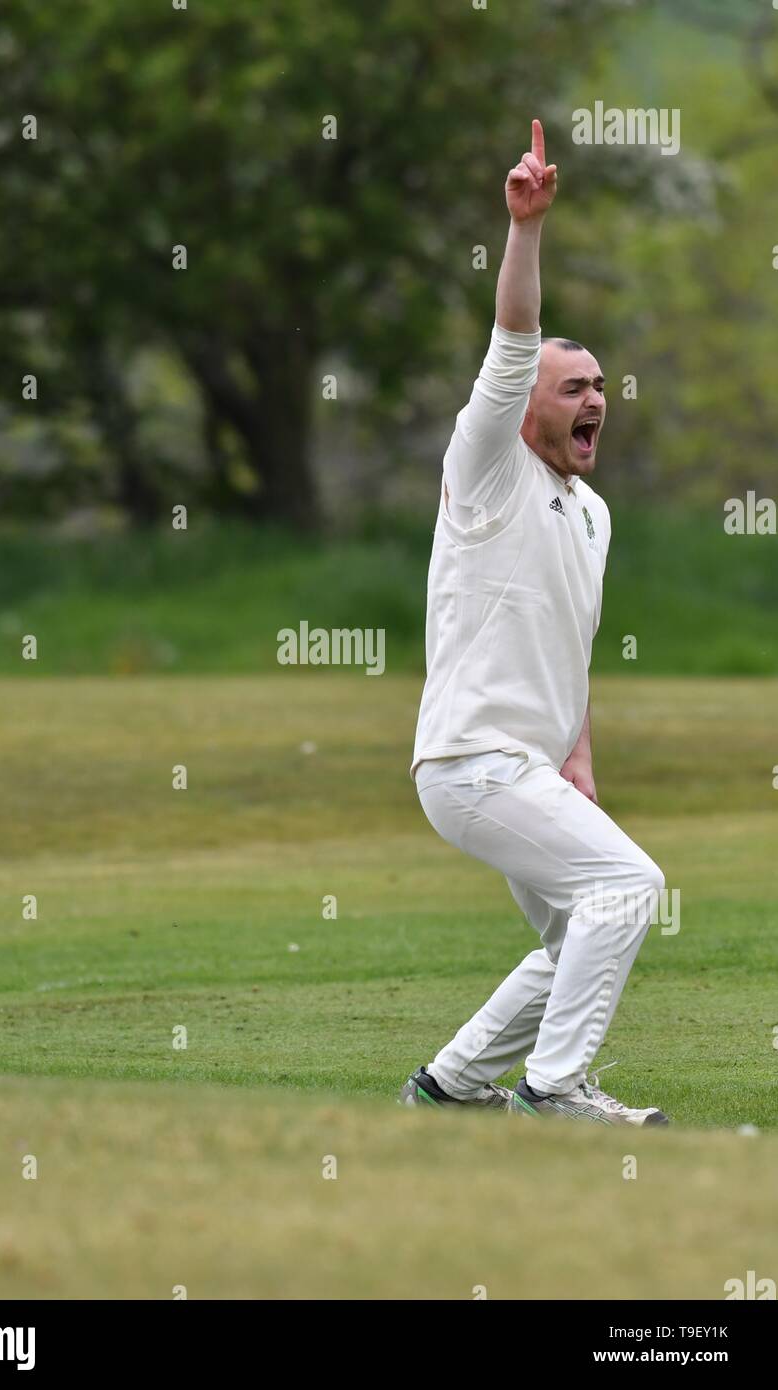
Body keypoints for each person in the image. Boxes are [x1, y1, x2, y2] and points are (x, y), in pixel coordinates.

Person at [400, 119, 667, 1125]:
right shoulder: (487, 466)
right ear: (524, 411)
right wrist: (525, 227)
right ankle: (554, 1088)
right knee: (629, 886)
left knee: (574, 934)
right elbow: (513, 341)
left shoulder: (592, 512)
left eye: (600, 386)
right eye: (574, 388)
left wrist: (579, 755)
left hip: (527, 765)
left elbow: (573, 647)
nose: (595, 399)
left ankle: (451, 1083)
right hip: (471, 761)